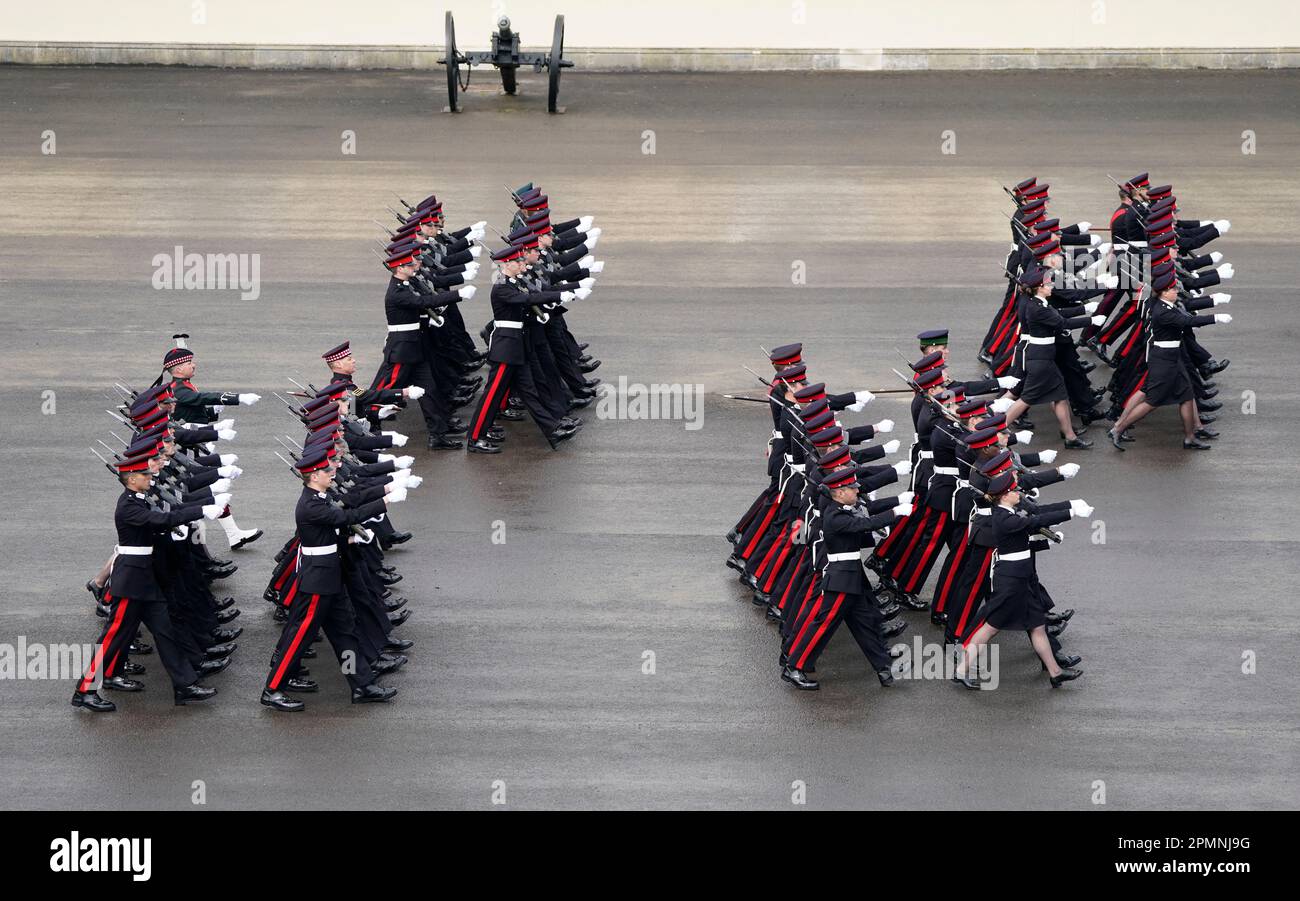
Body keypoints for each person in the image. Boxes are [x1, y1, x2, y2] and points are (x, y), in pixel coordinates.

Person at [953, 471, 1090, 689]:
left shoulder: (1008, 512)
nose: (1018, 493)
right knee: (990, 627)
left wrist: (1047, 542)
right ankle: (961, 670)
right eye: (1014, 490)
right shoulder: (1004, 518)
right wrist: (1070, 512)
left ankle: (1055, 672)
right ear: (1004, 496)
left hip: (1020, 577)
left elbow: (1026, 536)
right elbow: (1036, 521)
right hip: (1010, 581)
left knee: (1037, 625)